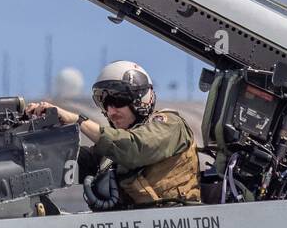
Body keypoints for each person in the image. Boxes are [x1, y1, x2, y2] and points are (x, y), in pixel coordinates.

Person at [26, 60, 201, 209]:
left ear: (141, 99)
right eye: (105, 104)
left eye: (117, 101)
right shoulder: (112, 150)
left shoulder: (169, 125)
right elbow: (80, 162)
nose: (111, 111)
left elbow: (134, 148)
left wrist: (77, 120)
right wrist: (38, 144)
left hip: (174, 225)